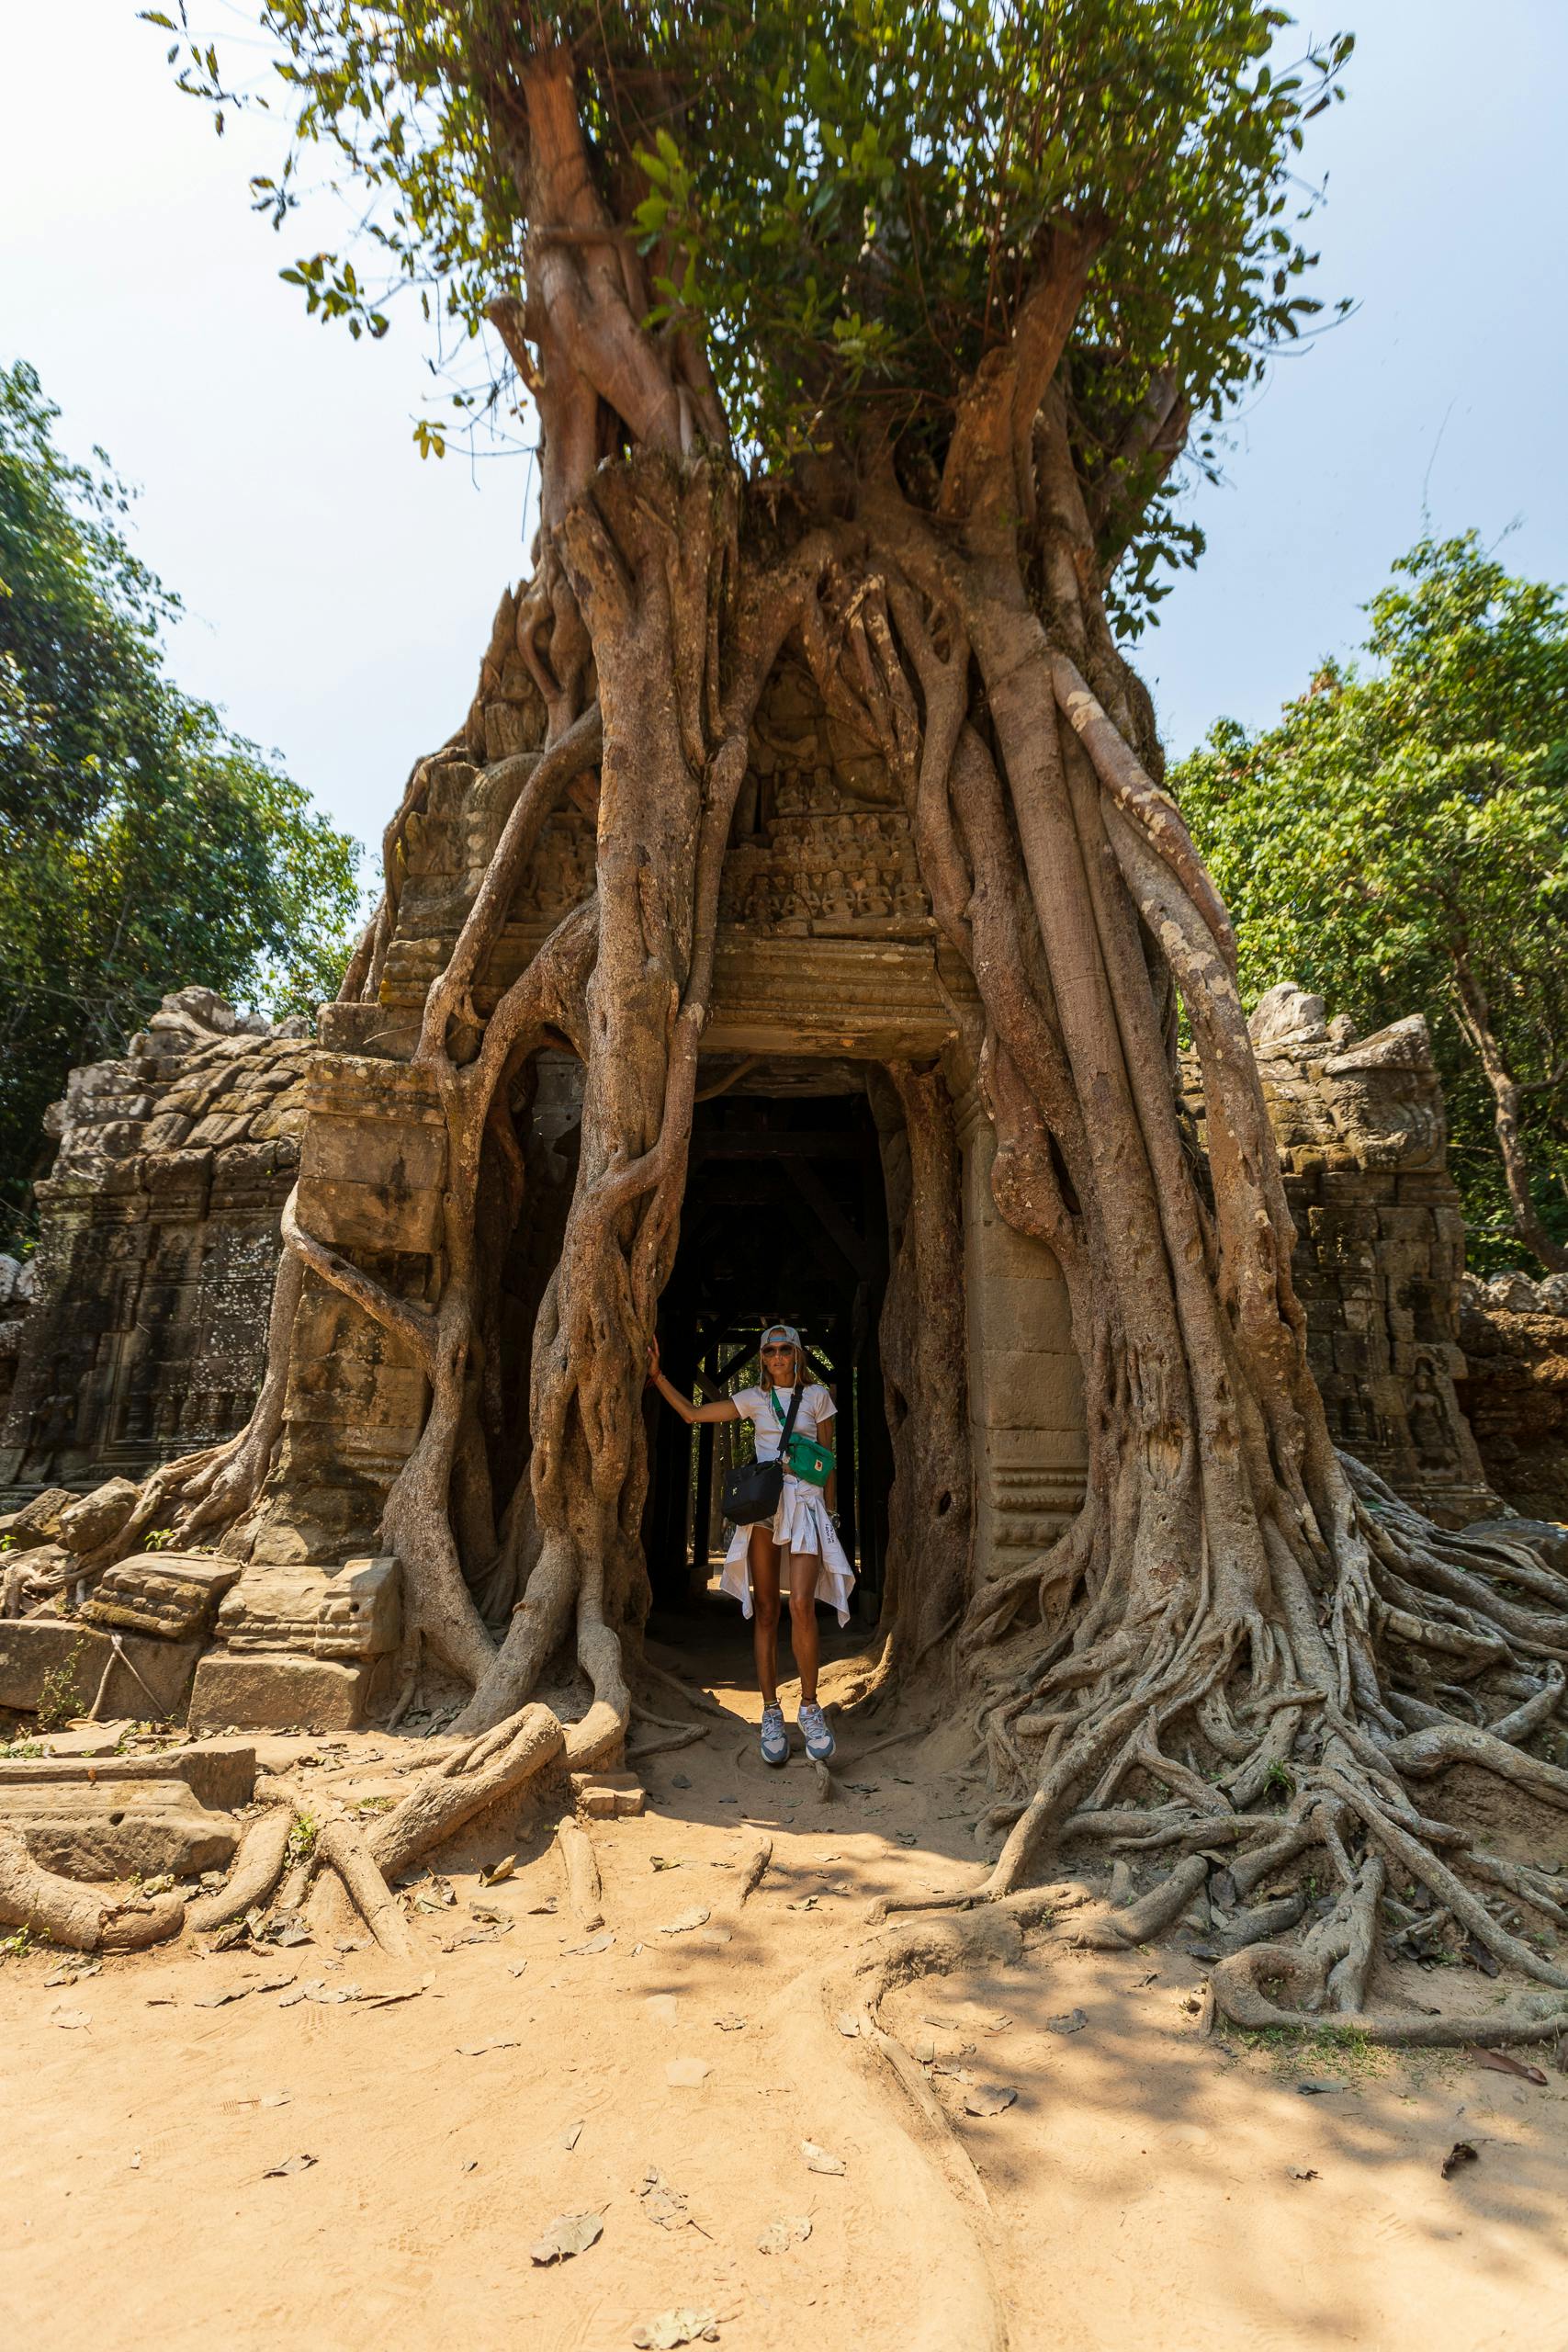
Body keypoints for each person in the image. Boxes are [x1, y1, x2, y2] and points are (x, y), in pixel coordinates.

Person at [647, 1322, 852, 1765]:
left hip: (807, 1507)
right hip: (765, 1509)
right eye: (770, 1351)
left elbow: (829, 1461)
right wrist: (659, 1376)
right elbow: (693, 1415)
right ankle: (771, 1712)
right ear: (762, 1357)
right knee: (766, 1610)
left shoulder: (818, 1399)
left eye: (785, 1349)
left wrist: (831, 1514)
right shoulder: (752, 1399)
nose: (777, 1357)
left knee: (800, 1604)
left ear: (798, 1354)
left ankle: (811, 1708)